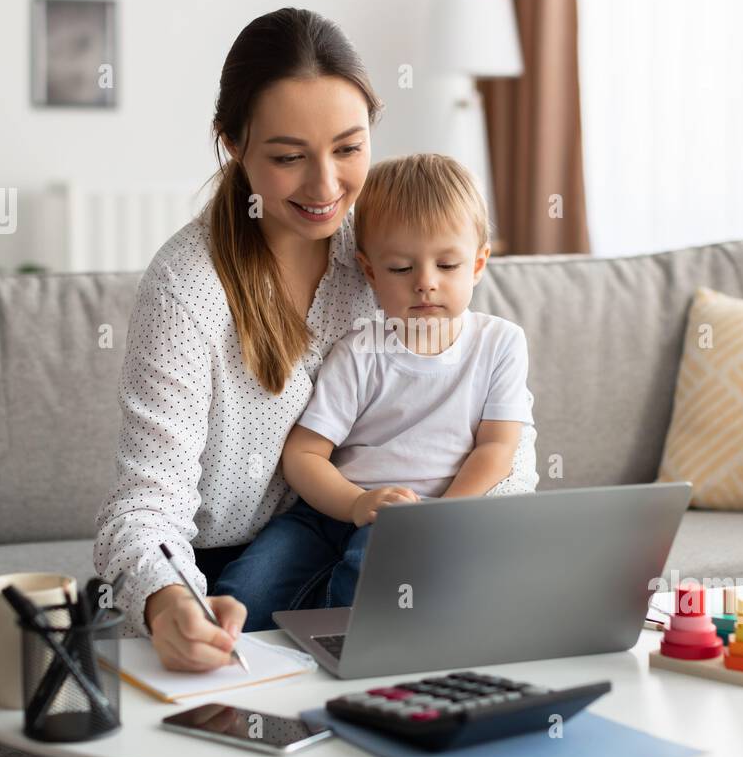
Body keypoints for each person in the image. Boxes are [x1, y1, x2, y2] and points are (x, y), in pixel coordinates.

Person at [94, 8, 538, 672]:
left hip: (412, 536)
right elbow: (145, 502)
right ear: (233, 146)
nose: (327, 187)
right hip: (223, 572)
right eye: (286, 157)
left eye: (349, 148)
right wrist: (169, 600)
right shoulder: (188, 288)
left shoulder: (393, 247)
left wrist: (446, 525)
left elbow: (493, 432)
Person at [213, 154, 535, 625]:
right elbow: (304, 456)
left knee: (369, 579)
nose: (426, 283)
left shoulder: (500, 343)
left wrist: (443, 518)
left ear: (479, 263)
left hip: (423, 514)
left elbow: (497, 448)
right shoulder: (359, 351)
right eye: (401, 269)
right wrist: (357, 503)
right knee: (245, 591)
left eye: (447, 265)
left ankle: (328, 653)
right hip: (332, 510)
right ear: (369, 272)